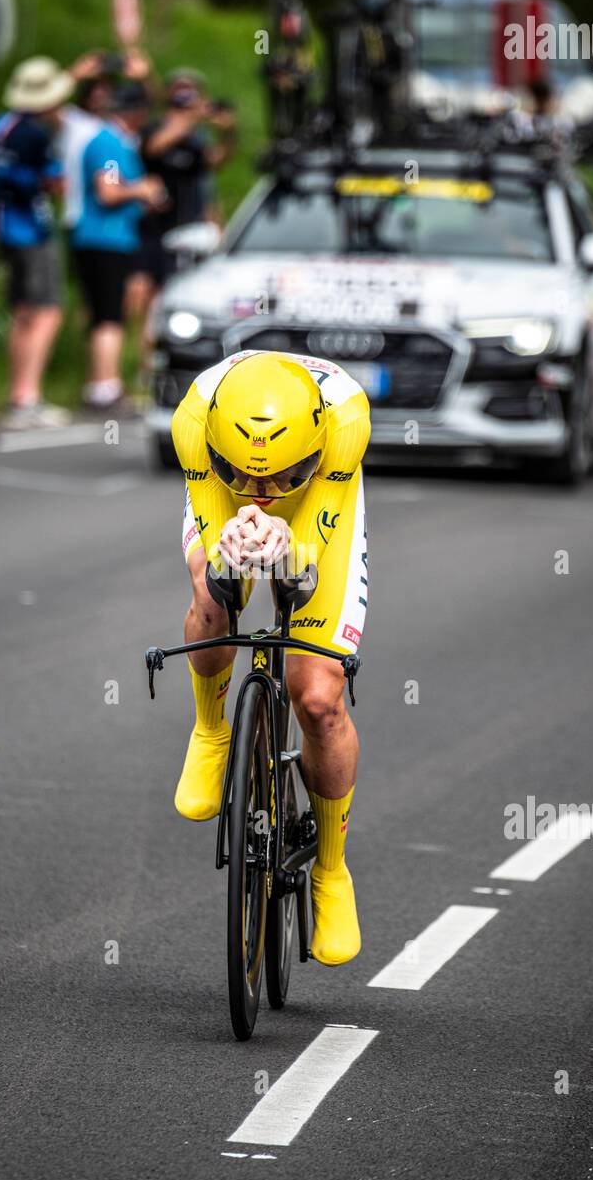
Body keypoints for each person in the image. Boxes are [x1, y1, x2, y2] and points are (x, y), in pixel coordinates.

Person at [171, 350, 370, 965]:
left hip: (318, 509)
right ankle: (211, 730)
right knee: (213, 595)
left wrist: (293, 537)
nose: (265, 493)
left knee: (318, 696)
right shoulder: (195, 420)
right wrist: (226, 542)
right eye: (250, 476)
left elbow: (315, 538)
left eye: (282, 475)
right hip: (218, 501)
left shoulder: (344, 421)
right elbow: (211, 529)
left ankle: (332, 872)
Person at [0, 56, 73, 430]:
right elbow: (55, 182)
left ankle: (16, 394)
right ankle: (27, 397)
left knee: (22, 312)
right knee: (47, 310)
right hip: (30, 231)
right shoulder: (36, 135)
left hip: (2, 226)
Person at [69, 80, 166, 411]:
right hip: (105, 239)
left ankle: (101, 382)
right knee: (110, 314)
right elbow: (108, 191)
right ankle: (105, 386)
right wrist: (143, 191)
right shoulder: (109, 143)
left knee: (104, 314)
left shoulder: (115, 142)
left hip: (106, 238)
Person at [134, 69, 236, 318]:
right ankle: (137, 352)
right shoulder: (156, 126)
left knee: (183, 297)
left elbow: (213, 165)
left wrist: (228, 132)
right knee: (146, 293)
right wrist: (192, 118)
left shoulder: (196, 138)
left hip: (187, 228)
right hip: (152, 228)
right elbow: (154, 147)